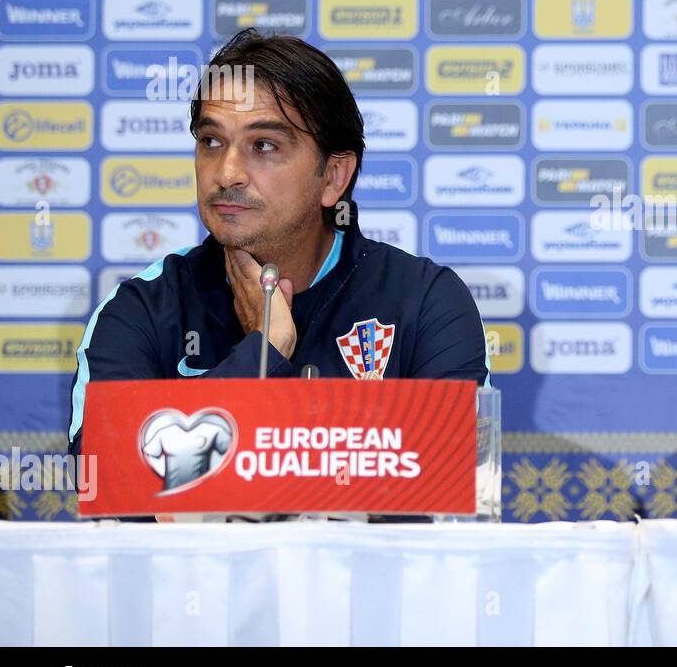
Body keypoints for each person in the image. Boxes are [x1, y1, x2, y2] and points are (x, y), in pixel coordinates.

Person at [68, 29, 489, 456]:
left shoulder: (423, 301)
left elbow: (455, 486)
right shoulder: (141, 309)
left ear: (333, 178)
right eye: (211, 142)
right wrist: (262, 356)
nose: (227, 172)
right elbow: (112, 486)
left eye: (263, 145)